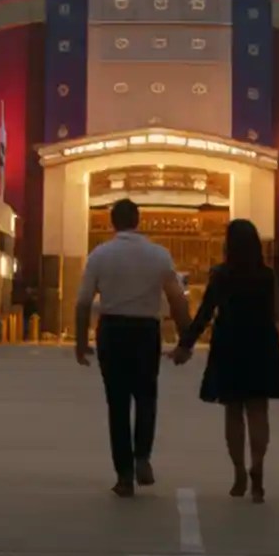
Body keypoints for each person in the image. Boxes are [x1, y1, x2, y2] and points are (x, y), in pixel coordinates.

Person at [75, 199, 192, 498]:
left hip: (112, 331)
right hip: (145, 332)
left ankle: (124, 476)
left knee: (117, 403)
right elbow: (178, 299)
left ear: (113, 222)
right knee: (146, 396)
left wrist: (80, 342)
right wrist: (185, 340)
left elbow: (83, 301)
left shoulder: (100, 255)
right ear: (138, 220)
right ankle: (142, 457)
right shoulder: (159, 255)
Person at [171, 219, 279, 504]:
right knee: (259, 410)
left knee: (233, 411)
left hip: (230, 345)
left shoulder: (221, 275)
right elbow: (275, 312)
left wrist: (185, 345)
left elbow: (206, 312)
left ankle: (238, 472)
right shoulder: (267, 275)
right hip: (261, 346)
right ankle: (258, 465)